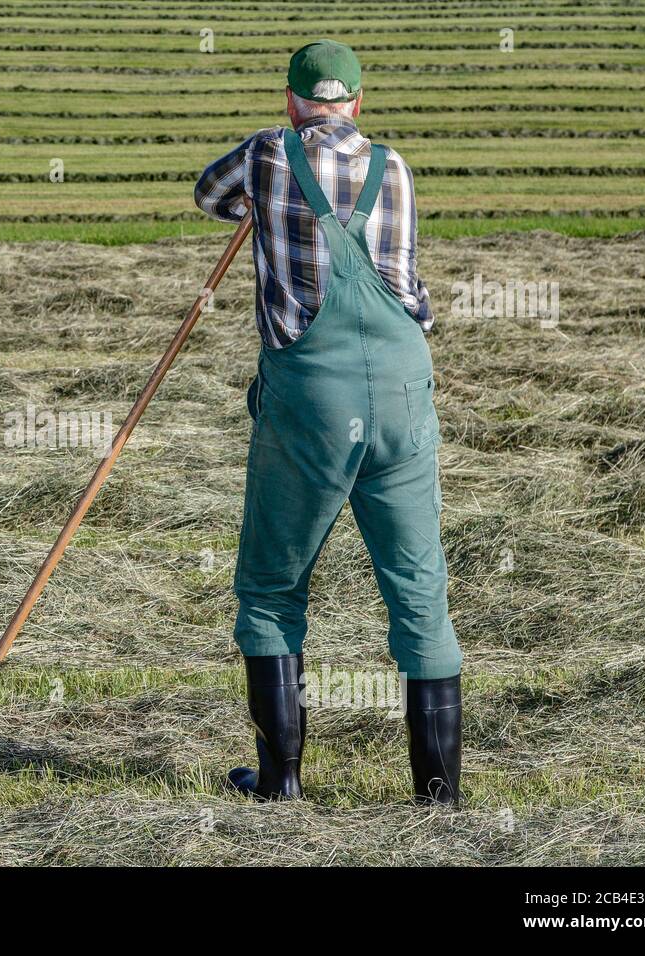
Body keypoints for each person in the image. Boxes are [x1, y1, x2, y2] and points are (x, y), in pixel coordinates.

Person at [194, 40, 463, 805]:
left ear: (290, 100)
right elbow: (411, 285)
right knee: (419, 591)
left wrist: (260, 207)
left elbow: (208, 197)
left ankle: (280, 784)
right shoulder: (396, 166)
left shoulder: (264, 154)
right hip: (405, 386)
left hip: (312, 401)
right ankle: (438, 799)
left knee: (273, 588)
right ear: (358, 103)